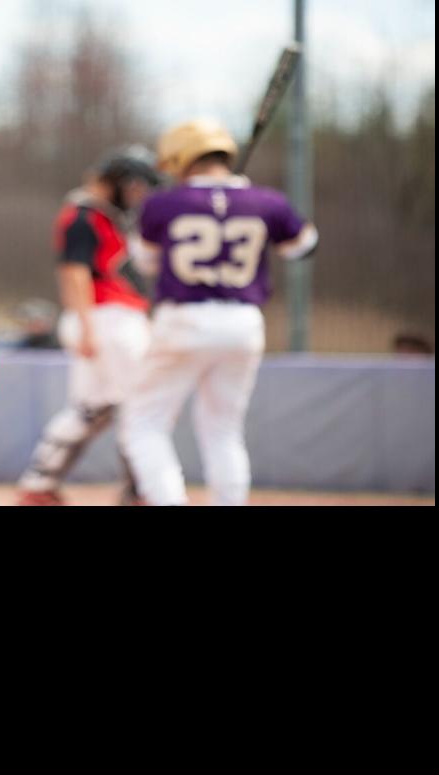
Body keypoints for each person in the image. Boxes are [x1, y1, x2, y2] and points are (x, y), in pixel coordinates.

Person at [120, 119, 318, 506]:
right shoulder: (268, 201)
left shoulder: (162, 204)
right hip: (243, 323)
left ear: (182, 158)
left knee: (143, 423)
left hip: (183, 319)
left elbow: (145, 262)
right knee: (223, 429)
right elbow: (305, 245)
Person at [15, 146, 162, 505]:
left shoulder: (105, 217)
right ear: (116, 182)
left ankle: (39, 485)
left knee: (91, 409)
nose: (136, 194)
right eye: (132, 185)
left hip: (106, 320)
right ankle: (141, 489)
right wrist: (86, 326)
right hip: (106, 320)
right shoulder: (84, 216)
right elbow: (74, 272)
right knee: (139, 405)